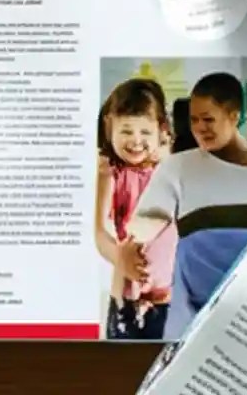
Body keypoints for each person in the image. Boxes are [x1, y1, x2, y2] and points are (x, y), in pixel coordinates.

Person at [133, 72, 247, 339]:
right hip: (194, 321)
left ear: (234, 116)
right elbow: (144, 225)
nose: (199, 128)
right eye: (194, 120)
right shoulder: (179, 167)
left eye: (208, 119)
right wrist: (131, 248)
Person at [94, 78, 178, 340]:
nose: (136, 141)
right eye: (126, 131)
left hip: (169, 295)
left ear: (161, 131)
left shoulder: (171, 169)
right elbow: (99, 234)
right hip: (127, 298)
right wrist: (123, 260)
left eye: (145, 132)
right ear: (110, 127)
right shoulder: (110, 172)